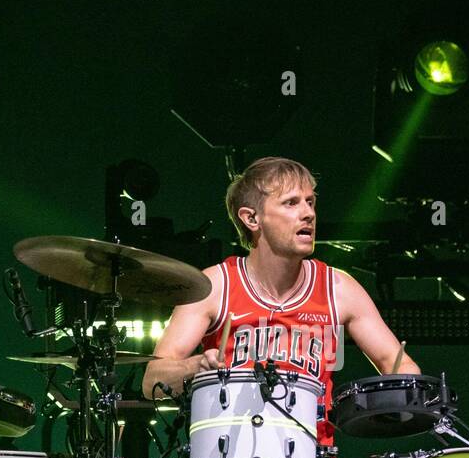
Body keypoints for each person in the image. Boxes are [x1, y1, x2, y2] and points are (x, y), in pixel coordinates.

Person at [142, 156, 419, 443]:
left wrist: (391, 400)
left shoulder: (338, 287)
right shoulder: (216, 285)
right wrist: (193, 366)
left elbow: (399, 364)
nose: (308, 213)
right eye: (291, 203)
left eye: (310, 202)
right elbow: (152, 382)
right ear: (251, 218)